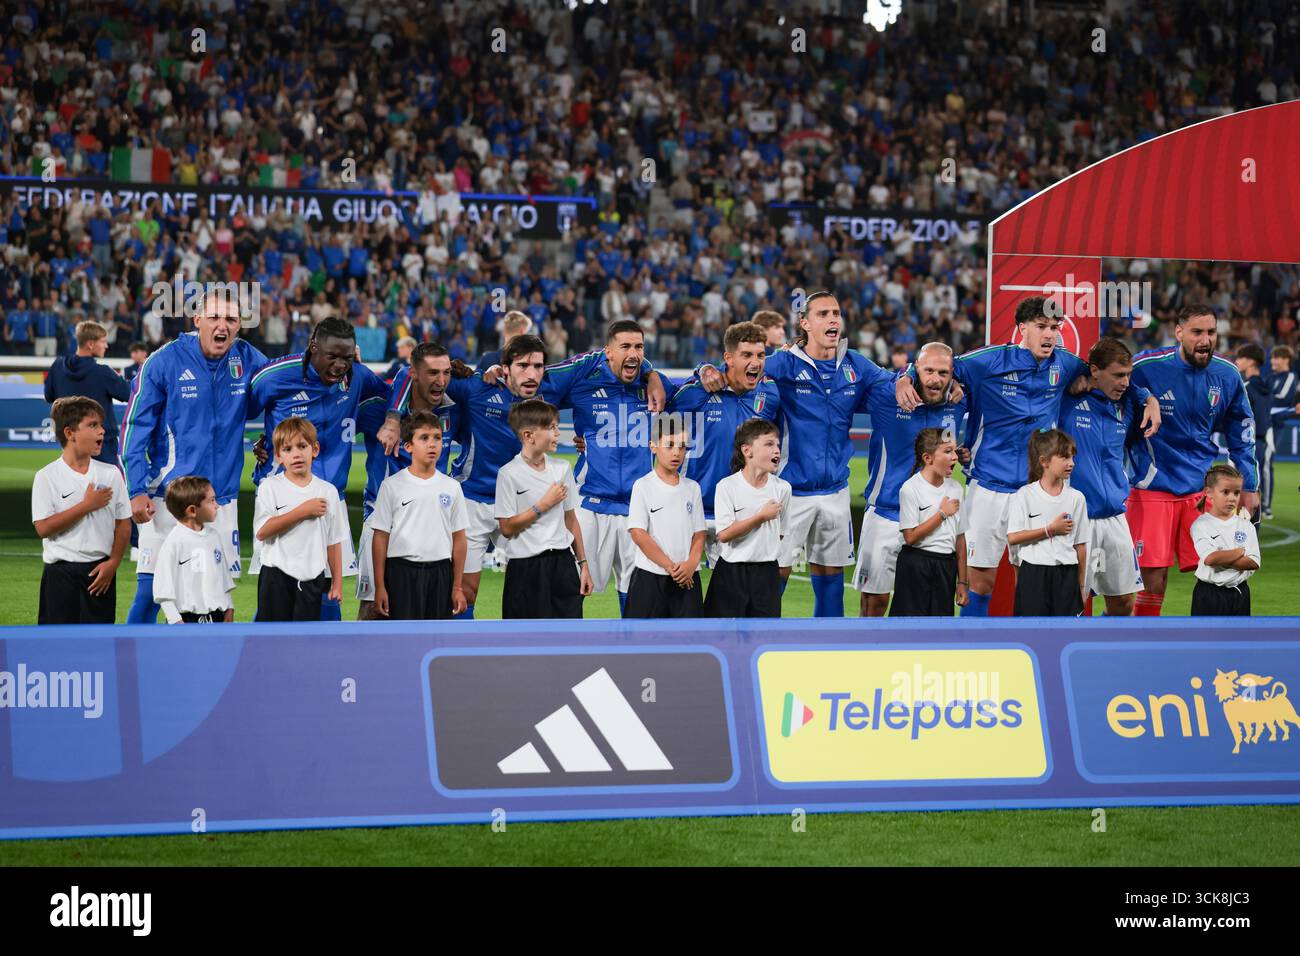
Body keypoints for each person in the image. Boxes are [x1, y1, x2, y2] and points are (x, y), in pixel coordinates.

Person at [937, 295, 1157, 617]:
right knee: (980, 582)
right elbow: (940, 365)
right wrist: (907, 377)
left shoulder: (1066, 364)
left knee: (1035, 578)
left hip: (1036, 491)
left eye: (1055, 327)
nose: (1050, 334)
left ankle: (1034, 649)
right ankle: (975, 650)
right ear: (1022, 328)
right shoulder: (989, 361)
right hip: (989, 487)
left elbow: (1109, 373)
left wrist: (1146, 397)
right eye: (1042, 327)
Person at [121, 293, 268, 624]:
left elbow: (283, 387)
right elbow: (135, 428)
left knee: (218, 596)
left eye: (231, 320)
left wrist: (269, 441)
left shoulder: (248, 358)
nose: (222, 325)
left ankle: (212, 668)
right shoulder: (164, 362)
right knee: (150, 593)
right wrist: (136, 490)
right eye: (214, 317)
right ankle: (130, 665)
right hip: (167, 499)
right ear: (197, 320)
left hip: (221, 501)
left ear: (239, 326)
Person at [248, 317, 390, 620]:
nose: (340, 365)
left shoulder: (359, 377)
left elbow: (397, 394)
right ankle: (263, 664)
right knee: (274, 598)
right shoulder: (275, 376)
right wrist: (265, 447)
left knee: (328, 600)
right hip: (283, 493)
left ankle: (327, 666)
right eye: (333, 356)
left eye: (347, 357)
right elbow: (240, 408)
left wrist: (391, 420)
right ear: (314, 347)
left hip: (330, 498)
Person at [1128, 304, 1258, 616]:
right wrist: (1146, 398)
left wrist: (1250, 486)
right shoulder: (1147, 366)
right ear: (1179, 333)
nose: (1205, 339)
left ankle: (1209, 643)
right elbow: (1114, 381)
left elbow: (1242, 430)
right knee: (1153, 579)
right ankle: (1141, 645)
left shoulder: (1226, 375)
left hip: (1199, 492)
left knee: (1218, 571)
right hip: (1153, 488)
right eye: (1197, 332)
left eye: (1211, 332)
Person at [537, 319, 673, 613]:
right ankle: (570, 654)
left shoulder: (651, 384)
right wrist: (496, 369)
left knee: (638, 595)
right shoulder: (585, 372)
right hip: (589, 502)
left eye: (639, 347)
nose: (633, 354)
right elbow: (534, 383)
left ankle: (635, 655)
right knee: (573, 589)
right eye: (625, 346)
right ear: (607, 351)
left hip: (638, 507)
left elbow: (694, 390)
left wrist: (661, 373)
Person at [441, 334, 550, 619]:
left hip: (519, 506)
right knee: (465, 590)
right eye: (523, 365)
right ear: (504, 367)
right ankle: (459, 655)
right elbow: (425, 373)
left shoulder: (547, 394)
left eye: (538, 366)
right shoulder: (479, 388)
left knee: (531, 585)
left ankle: (520, 650)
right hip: (472, 502)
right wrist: (459, 368)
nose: (532, 374)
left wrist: (648, 373)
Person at [851, 341, 964, 616]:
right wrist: (903, 376)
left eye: (943, 373)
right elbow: (855, 362)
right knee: (875, 602)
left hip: (936, 519)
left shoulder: (959, 401)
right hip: (887, 515)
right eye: (928, 371)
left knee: (927, 604)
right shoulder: (886, 396)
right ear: (916, 369)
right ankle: (867, 656)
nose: (935, 380)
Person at [359, 342, 464, 619]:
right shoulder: (377, 410)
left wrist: (490, 369)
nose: (441, 381)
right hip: (381, 521)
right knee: (374, 609)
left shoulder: (452, 411)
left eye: (446, 373)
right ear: (415, 375)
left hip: (433, 523)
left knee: (433, 609)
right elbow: (329, 423)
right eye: (432, 373)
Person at [667, 321, 780, 566]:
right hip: (692, 507)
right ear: (728, 358)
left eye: (761, 355)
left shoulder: (770, 394)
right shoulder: (698, 391)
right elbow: (657, 420)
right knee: (680, 590)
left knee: (734, 594)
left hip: (739, 511)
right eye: (747, 355)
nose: (756, 362)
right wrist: (702, 369)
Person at [1057, 338, 1147, 615]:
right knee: (1071, 603)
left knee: (1123, 602)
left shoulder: (1127, 405)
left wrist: (1149, 398)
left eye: (1128, 375)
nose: (1125, 382)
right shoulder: (1066, 401)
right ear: (1095, 371)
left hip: (1115, 519)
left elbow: (1138, 392)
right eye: (1118, 375)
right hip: (1076, 520)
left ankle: (1107, 653)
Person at [32, 396, 131, 624]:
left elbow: (123, 523)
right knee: (56, 645)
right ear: (70, 433)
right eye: (93, 425)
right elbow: (44, 528)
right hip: (59, 574)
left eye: (101, 425)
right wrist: (87, 505)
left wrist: (113, 563)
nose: (102, 432)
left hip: (100, 572)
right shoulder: (47, 477)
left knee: (98, 647)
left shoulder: (111, 473)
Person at [494, 399, 594, 619]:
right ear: (529, 436)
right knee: (524, 643)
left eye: (557, 426)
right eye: (551, 428)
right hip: (524, 569)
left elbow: (571, 520)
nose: (558, 433)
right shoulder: (508, 473)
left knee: (568, 639)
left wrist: (583, 565)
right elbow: (507, 528)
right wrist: (542, 505)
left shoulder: (562, 468)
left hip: (563, 566)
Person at [371, 411, 469, 620]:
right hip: (401, 573)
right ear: (408, 446)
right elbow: (380, 538)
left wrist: (457, 587)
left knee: (437, 638)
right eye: (424, 438)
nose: (432, 444)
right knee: (403, 639)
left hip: (441, 572)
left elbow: (459, 539)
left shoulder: (452, 487)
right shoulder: (392, 486)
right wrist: (380, 586)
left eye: (437, 438)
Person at [253, 417, 344, 622]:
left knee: (305, 644)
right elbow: (262, 531)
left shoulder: (328, 491)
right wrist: (303, 511)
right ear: (278, 456)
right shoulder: (270, 486)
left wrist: (337, 582)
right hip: (276, 576)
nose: (296, 454)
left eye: (302, 446)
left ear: (315, 449)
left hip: (313, 578)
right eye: (288, 449)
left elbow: (333, 540)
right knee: (272, 642)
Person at [704, 418, 790, 618]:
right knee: (723, 636)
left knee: (764, 637)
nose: (776, 450)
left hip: (767, 574)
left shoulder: (783, 489)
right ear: (747, 451)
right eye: (769, 444)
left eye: (777, 444)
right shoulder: (727, 487)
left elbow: (781, 533)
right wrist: (760, 517)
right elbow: (724, 534)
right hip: (731, 574)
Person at [625, 416, 707, 618]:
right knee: (643, 641)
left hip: (688, 578)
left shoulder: (692, 488)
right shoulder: (643, 486)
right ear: (653, 446)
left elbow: (699, 533)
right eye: (669, 445)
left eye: (682, 447)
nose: (676, 453)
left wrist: (690, 565)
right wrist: (672, 568)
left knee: (690, 642)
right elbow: (638, 533)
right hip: (651, 578)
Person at [1006, 429, 1090, 617]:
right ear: (1044, 461)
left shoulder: (1077, 498)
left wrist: (1082, 586)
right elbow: (1013, 537)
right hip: (1033, 574)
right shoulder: (1024, 495)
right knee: (1032, 635)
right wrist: (1050, 530)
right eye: (1064, 458)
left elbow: (1081, 546)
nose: (1071, 464)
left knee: (1065, 635)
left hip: (1066, 576)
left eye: (1072, 458)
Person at [891, 428, 968, 617]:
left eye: (954, 451)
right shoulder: (910, 489)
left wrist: (962, 582)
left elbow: (960, 539)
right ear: (928, 458)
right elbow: (910, 537)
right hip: (915, 565)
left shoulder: (956, 489)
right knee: (908, 628)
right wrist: (941, 514)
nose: (955, 457)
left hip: (945, 567)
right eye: (947, 451)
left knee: (940, 630)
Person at [44, 321, 131, 466]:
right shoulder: (103, 372)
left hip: (71, 440)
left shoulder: (58, 367)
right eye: (103, 341)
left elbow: (49, 396)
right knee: (107, 487)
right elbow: (130, 394)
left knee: (75, 486)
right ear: (90, 344)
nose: (106, 346)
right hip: (101, 445)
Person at [152, 475, 237, 624]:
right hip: (186, 621)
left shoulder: (214, 537)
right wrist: (175, 620)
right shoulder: (174, 542)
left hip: (217, 617)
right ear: (192, 510)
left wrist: (229, 607)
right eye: (211, 501)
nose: (217, 505)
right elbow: (163, 590)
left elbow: (222, 579)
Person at [1189, 464, 1259, 616]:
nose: (1232, 498)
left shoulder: (1246, 526)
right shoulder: (1201, 525)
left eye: (1236, 493)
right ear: (1209, 492)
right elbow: (1210, 559)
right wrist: (1241, 551)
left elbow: (1253, 562)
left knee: (1239, 639)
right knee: (1206, 639)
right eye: (1225, 492)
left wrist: (1222, 557)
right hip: (1208, 594)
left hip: (1240, 593)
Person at [1234, 344, 1274, 529]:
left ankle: (1242, 539)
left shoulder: (1246, 388)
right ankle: (1251, 536)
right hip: (1260, 442)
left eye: (1240, 358)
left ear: (1250, 361)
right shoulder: (1266, 386)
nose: (1237, 361)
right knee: (1252, 491)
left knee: (1240, 493)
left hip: (1245, 445)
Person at [1265, 345, 1296, 519]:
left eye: (1276, 358)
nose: (1272, 361)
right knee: (1260, 461)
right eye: (1272, 358)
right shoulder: (1270, 377)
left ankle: (1266, 506)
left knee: (1267, 460)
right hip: (1264, 421)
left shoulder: (1290, 376)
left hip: (1276, 423)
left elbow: (1283, 397)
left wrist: (1263, 398)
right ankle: (1259, 502)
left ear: (1286, 360)